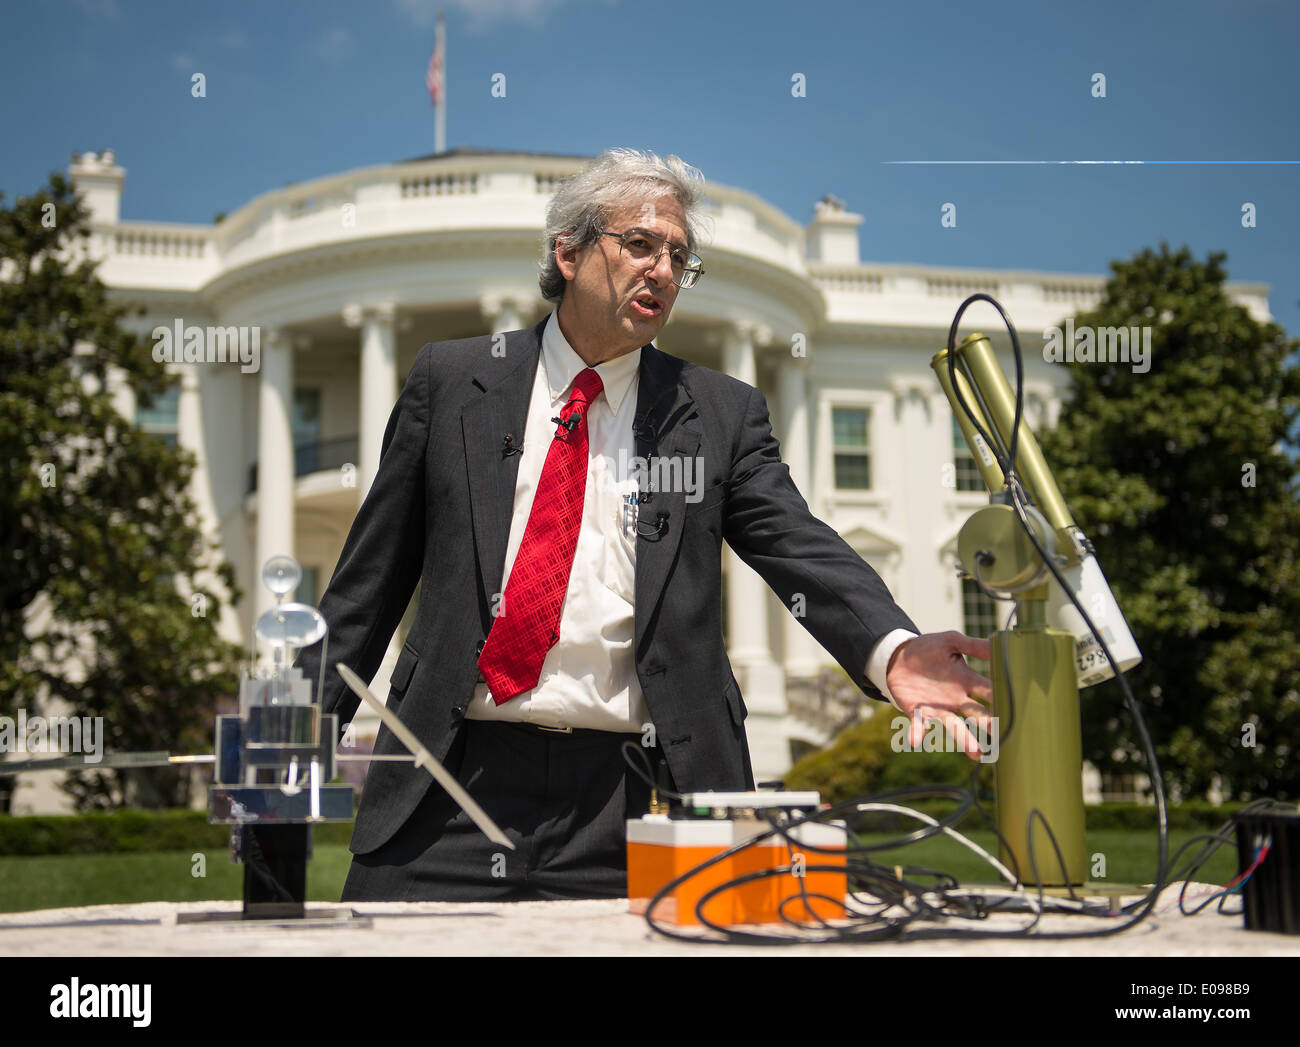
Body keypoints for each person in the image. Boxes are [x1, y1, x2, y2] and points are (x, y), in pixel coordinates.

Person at [296, 148, 993, 902]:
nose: (662, 269)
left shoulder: (719, 413)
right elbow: (365, 592)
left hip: (639, 802)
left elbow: (798, 542)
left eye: (679, 257)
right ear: (567, 251)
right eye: (639, 244)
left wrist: (890, 647)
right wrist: (286, 758)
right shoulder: (453, 382)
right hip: (446, 784)